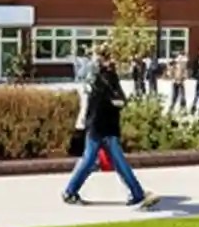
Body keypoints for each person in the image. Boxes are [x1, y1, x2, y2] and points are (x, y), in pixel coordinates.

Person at [62, 45, 159, 209]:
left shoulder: (95, 77)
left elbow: (98, 100)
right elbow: (113, 99)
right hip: (104, 126)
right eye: (109, 57)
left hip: (98, 125)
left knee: (92, 159)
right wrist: (117, 102)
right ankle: (137, 194)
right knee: (113, 161)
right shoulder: (104, 77)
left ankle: (71, 191)